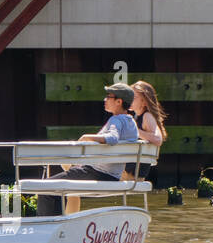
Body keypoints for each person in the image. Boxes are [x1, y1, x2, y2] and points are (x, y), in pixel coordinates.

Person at [37, 82, 140, 216]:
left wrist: (87, 137)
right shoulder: (131, 123)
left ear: (119, 101)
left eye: (108, 96)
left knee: (46, 188)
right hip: (112, 176)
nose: (105, 100)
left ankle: (50, 227)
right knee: (56, 186)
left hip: (97, 173)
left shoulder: (116, 120)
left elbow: (112, 138)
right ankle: (57, 223)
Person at [124, 80, 167, 180]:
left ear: (144, 101)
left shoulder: (147, 116)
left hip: (132, 174)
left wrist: (134, 129)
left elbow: (157, 139)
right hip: (129, 170)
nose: (129, 99)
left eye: (133, 97)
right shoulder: (136, 117)